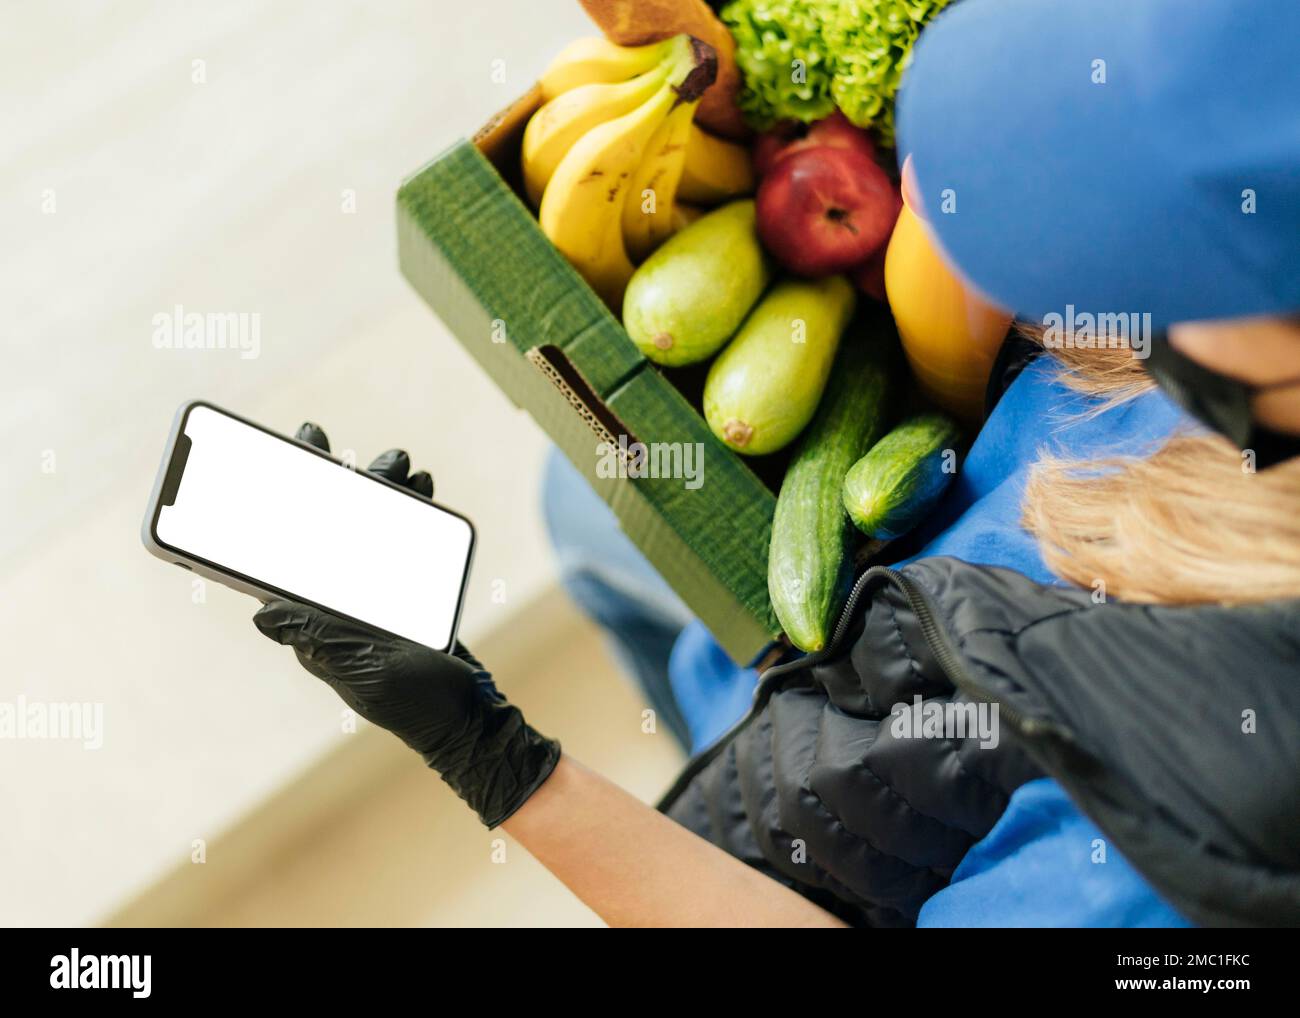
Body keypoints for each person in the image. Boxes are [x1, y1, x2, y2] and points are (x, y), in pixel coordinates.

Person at [252, 0, 1300, 925]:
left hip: (843, 810)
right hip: (868, 621)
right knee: (581, 510)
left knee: (611, 564)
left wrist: (499, 761)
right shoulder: (1223, 340)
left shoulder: (1195, 839)